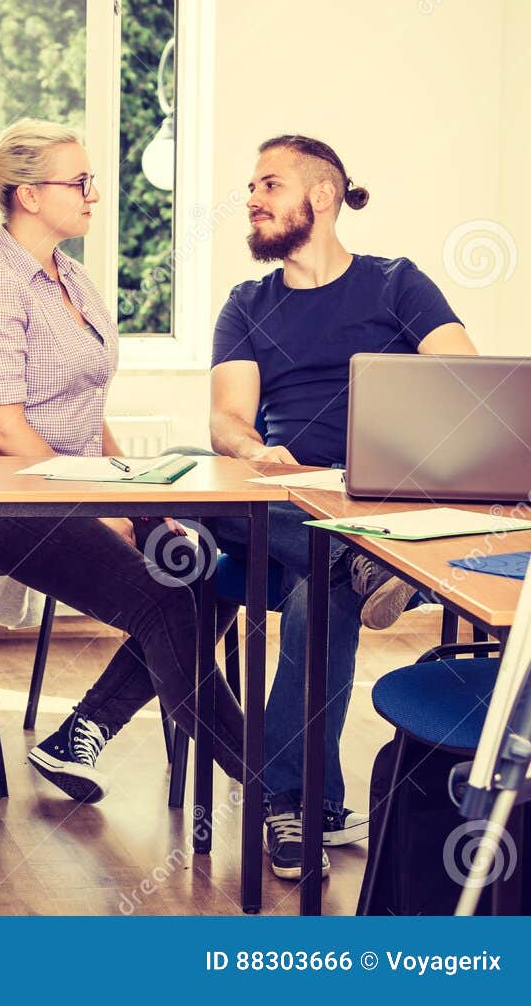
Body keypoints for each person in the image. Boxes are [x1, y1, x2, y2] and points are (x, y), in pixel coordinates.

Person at [0, 119, 251, 805]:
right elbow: (1, 430)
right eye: (79, 182)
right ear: (28, 195)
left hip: (70, 484)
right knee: (164, 602)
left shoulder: (72, 278)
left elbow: (84, 408)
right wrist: (97, 506)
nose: (94, 195)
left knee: (202, 566)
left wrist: (138, 495)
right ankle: (273, 787)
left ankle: (81, 731)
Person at [209, 134, 476, 879]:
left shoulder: (397, 284)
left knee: (316, 594)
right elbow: (227, 419)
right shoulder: (247, 303)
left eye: (269, 184)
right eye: (251, 187)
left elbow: (467, 385)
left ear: (321, 196)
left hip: (374, 497)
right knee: (218, 488)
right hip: (280, 498)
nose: (252, 200)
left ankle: (294, 803)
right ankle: (371, 560)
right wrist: (256, 450)